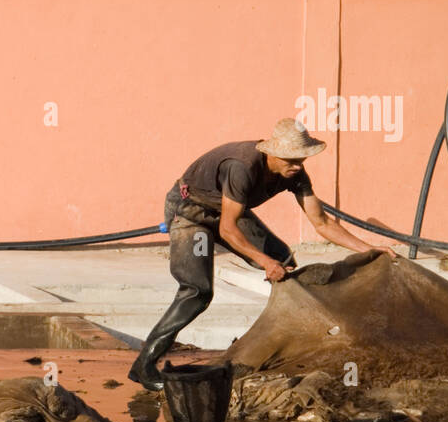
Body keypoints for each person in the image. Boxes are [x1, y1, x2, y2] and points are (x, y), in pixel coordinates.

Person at [128, 118, 397, 391]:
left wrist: (368, 248)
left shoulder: (296, 175)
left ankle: (285, 342)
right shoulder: (241, 167)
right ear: (272, 152)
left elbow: (322, 222)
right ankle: (145, 364)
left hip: (228, 212)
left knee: (285, 263)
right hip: (192, 214)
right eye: (290, 159)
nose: (297, 165)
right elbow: (229, 230)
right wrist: (265, 262)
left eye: (301, 159)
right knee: (197, 291)